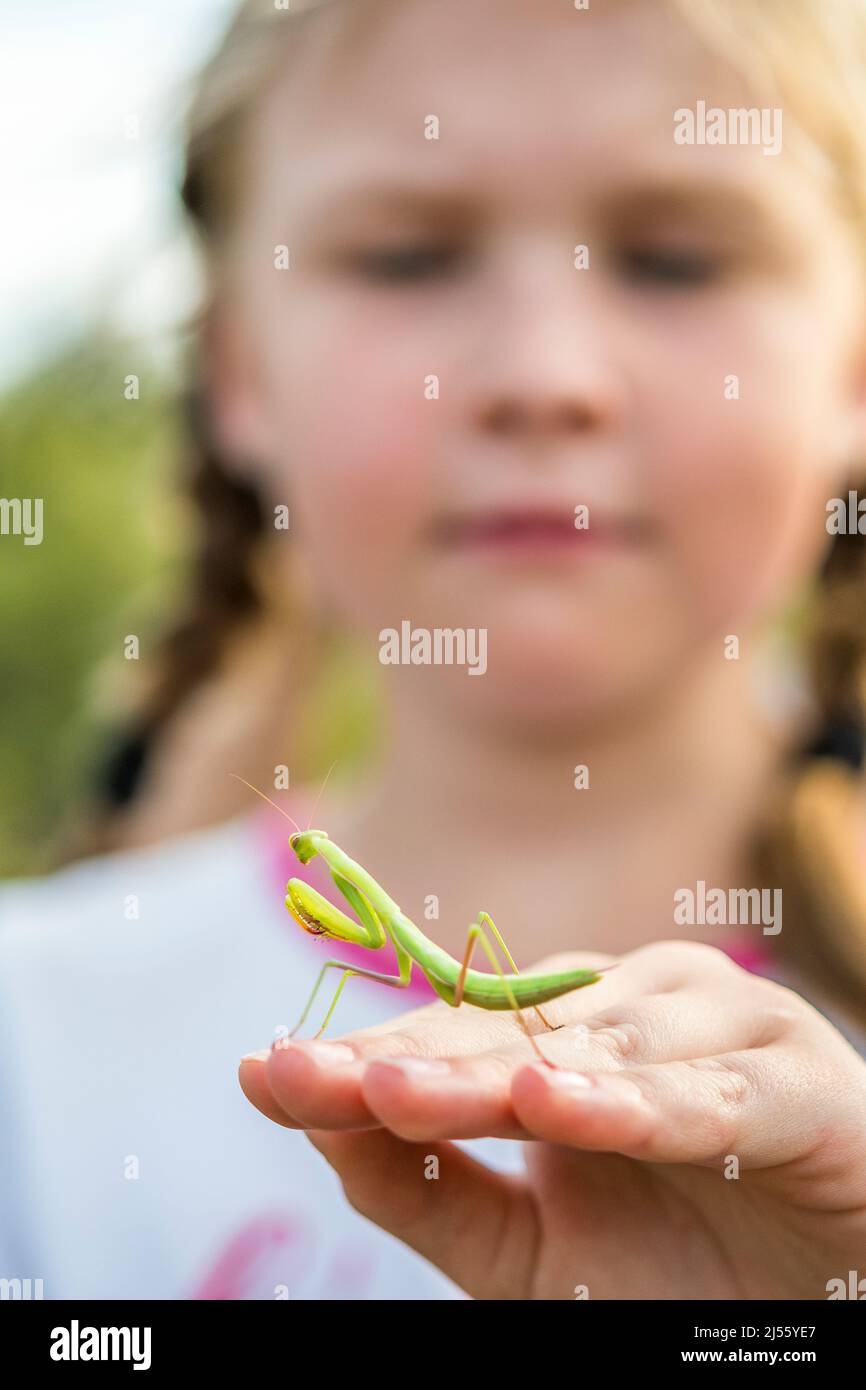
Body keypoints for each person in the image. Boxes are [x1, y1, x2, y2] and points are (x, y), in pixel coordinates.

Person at [4, 0, 866, 1300]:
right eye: (406, 257)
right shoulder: (33, 1046)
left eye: (675, 258)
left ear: (853, 370)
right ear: (237, 375)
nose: (541, 374)